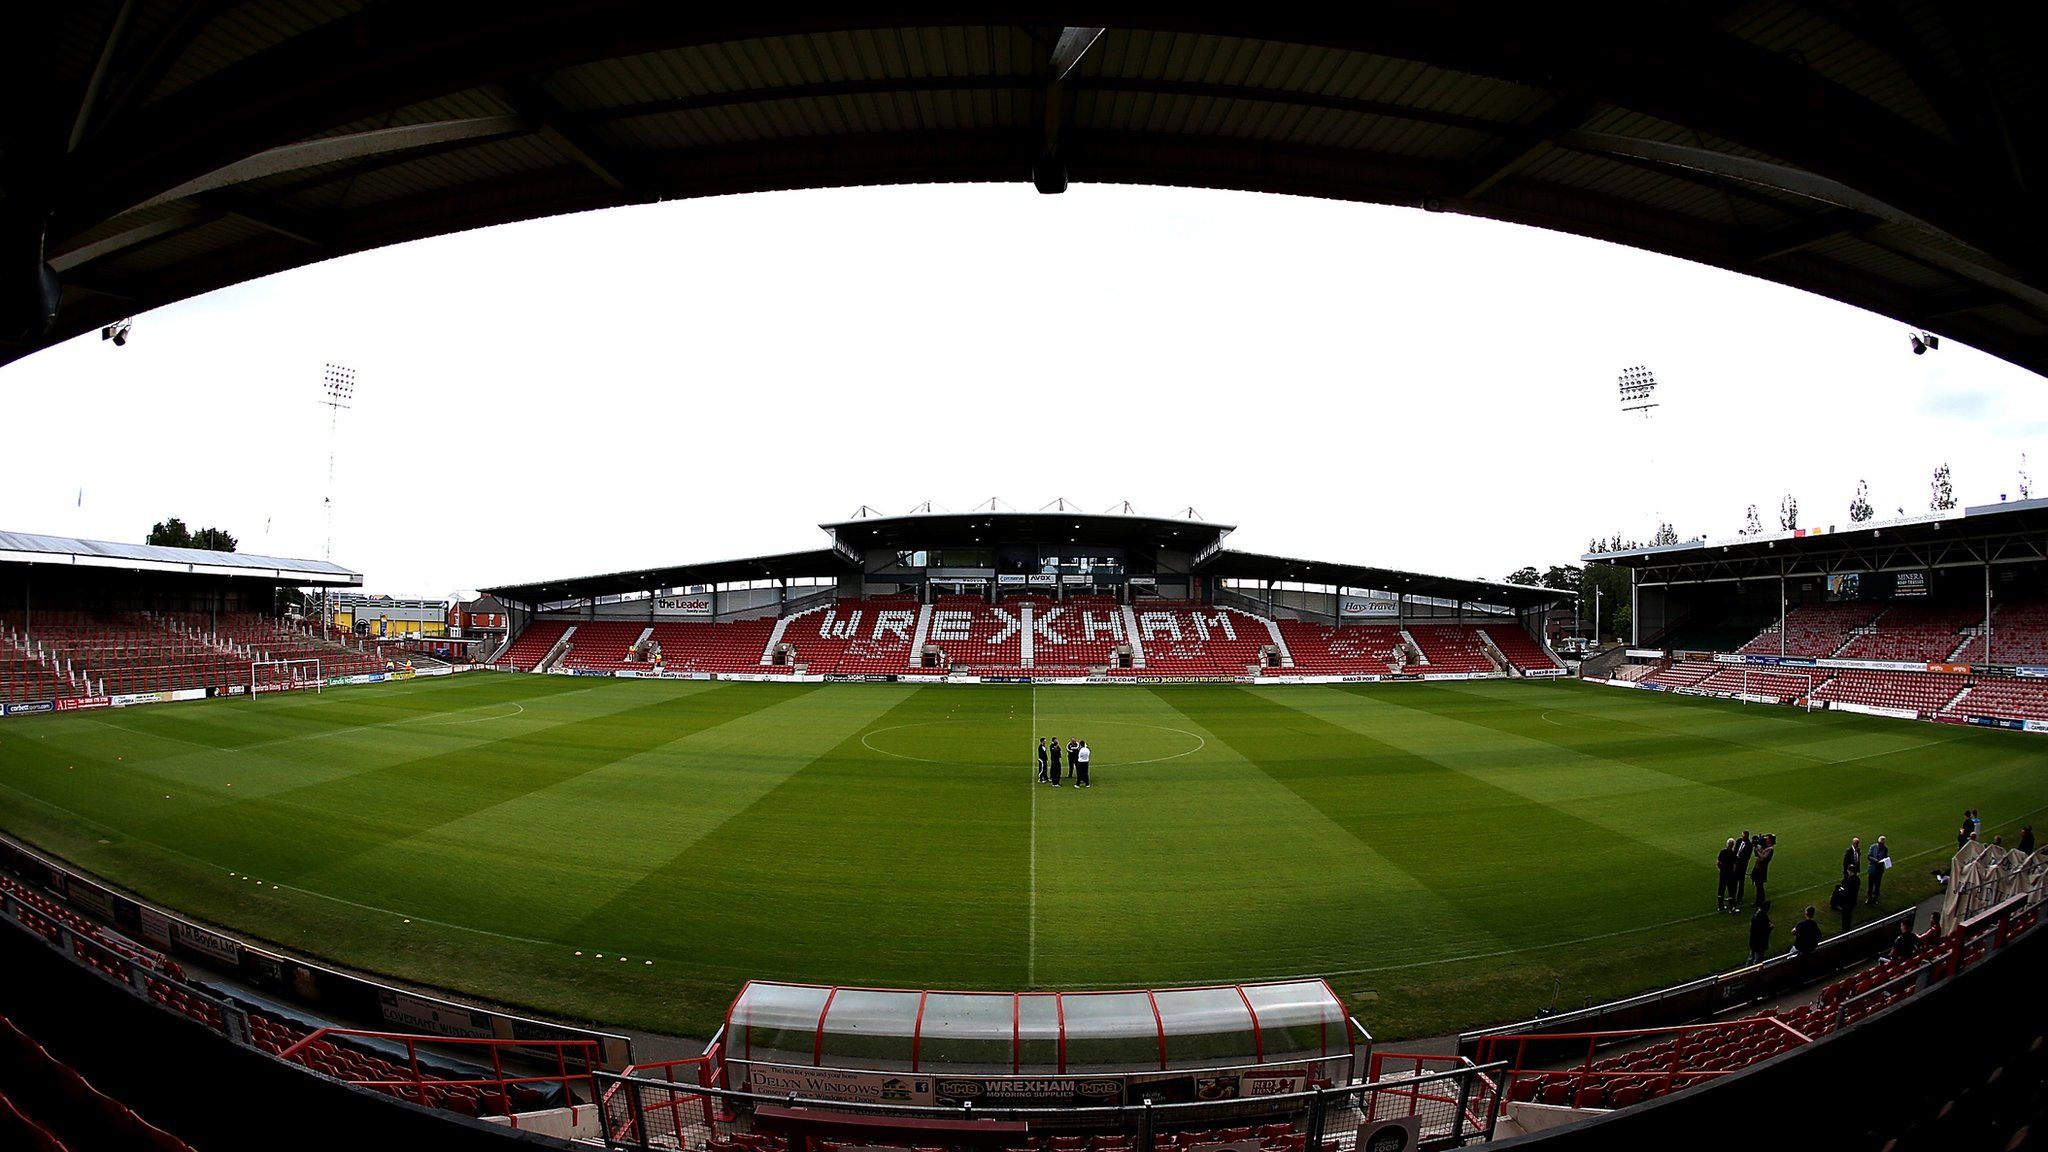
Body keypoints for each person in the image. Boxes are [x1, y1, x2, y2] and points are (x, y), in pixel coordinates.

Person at [1750, 834, 1775, 909]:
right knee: (1758, 886)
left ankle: (1761, 902)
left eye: (1767, 839)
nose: (1766, 840)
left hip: (1761, 870)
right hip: (1757, 869)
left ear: (1770, 840)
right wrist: (1755, 846)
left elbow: (1763, 858)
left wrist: (1758, 850)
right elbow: (1756, 854)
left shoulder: (1770, 849)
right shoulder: (1764, 847)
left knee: (1760, 887)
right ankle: (1758, 901)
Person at [1717, 838, 1740, 912]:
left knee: (1721, 889)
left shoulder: (1722, 852)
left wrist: (1721, 869)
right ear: (1733, 845)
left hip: (1723, 873)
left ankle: (1720, 906)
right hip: (1730, 874)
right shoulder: (1733, 853)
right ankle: (1732, 908)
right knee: (1731, 890)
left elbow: (1718, 863)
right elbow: (1735, 865)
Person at [1865, 835, 1890, 904]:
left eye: (1883, 843)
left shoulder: (1885, 849)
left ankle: (1875, 898)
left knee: (1877, 885)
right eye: (1881, 843)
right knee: (1870, 885)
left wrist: (1885, 860)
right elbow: (1869, 856)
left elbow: (1885, 856)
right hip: (1872, 869)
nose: (1881, 845)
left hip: (1879, 870)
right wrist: (1875, 860)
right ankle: (1869, 898)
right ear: (1878, 842)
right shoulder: (1873, 847)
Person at [1733, 830, 1755, 908]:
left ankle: (1739, 898)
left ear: (1746, 837)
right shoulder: (1739, 841)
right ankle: (1733, 896)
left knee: (1741, 882)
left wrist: (1738, 860)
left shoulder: (1749, 845)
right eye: (1742, 836)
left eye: (1743, 836)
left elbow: (1747, 857)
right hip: (1735, 864)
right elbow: (1735, 850)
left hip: (1742, 866)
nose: (1742, 837)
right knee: (1734, 881)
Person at [1747, 902, 1773, 966]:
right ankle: (1754, 970)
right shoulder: (1763, 916)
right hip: (1760, 942)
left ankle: (1747, 968)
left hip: (1753, 940)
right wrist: (1770, 928)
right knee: (1758, 960)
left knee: (1751, 957)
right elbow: (1764, 931)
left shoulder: (1756, 915)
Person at [1841, 836, 1862, 906]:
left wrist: (1857, 869)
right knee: (1846, 885)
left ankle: (1853, 899)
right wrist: (1848, 871)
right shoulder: (1849, 851)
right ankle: (1845, 899)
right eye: (1856, 843)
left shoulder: (1858, 850)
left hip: (1854, 871)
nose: (1857, 845)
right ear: (1853, 843)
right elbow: (1845, 862)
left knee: (1854, 885)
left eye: (1858, 843)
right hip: (1849, 872)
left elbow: (1858, 860)